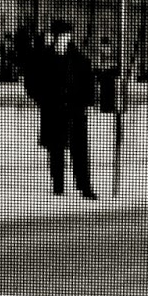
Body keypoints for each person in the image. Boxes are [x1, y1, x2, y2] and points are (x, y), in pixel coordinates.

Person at [33, 19, 99, 199]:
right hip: (54, 110)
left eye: (66, 35)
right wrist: (42, 100)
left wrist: (87, 104)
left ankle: (83, 186)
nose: (63, 38)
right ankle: (59, 186)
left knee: (79, 151)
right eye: (61, 35)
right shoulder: (46, 58)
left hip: (73, 111)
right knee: (57, 150)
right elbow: (33, 82)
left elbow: (89, 83)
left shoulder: (78, 59)